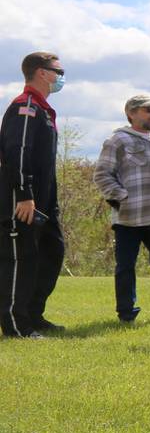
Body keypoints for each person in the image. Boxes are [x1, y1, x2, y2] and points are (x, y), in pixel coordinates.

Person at [92, 95, 150, 322]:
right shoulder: (117, 140)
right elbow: (102, 175)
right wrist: (122, 197)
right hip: (128, 217)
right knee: (125, 268)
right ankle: (126, 314)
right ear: (131, 113)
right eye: (148, 109)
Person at [1, 52, 66, 338]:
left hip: (44, 202)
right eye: (58, 71)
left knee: (52, 252)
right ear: (41, 72)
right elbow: (19, 152)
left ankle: (34, 314)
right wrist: (24, 193)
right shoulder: (25, 106)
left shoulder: (43, 109)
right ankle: (16, 325)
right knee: (21, 259)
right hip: (22, 200)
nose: (61, 76)